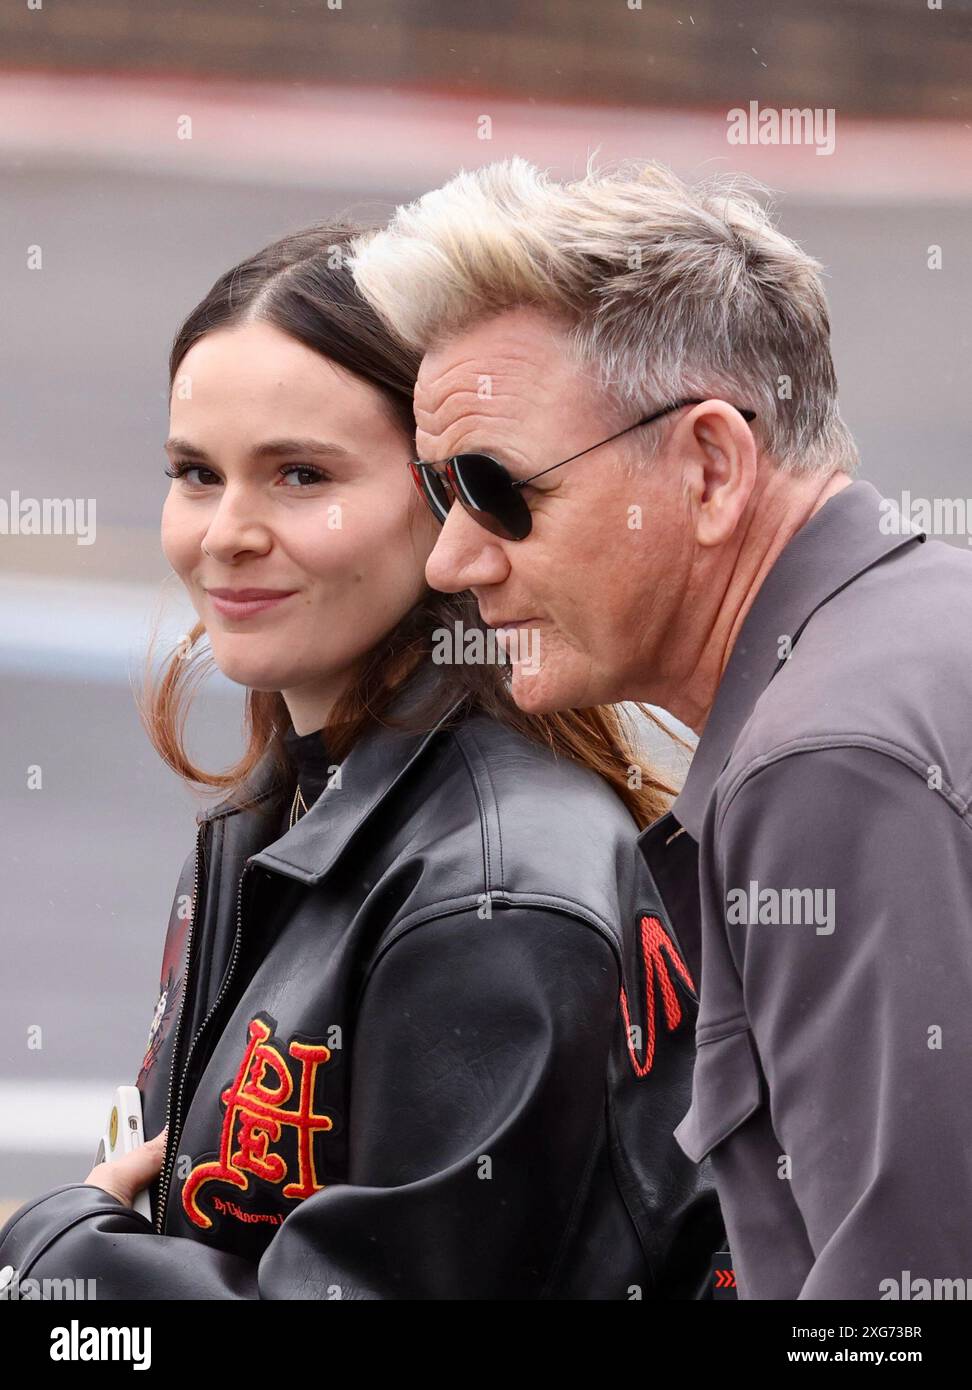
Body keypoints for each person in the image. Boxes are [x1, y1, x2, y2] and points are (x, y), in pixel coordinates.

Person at [0, 222, 722, 1300]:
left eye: (300, 475)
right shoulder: (288, 811)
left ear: (447, 499)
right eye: (196, 474)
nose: (226, 533)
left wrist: (64, 1268)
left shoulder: (495, 894)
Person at [349, 156, 972, 1299]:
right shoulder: (905, 638)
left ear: (711, 467)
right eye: (440, 493)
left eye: (496, 487)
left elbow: (909, 1301)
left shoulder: (826, 761)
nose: (453, 557)